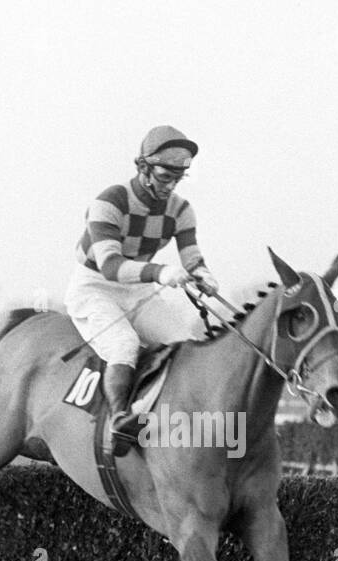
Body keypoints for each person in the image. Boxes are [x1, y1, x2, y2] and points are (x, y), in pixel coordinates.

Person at [64, 125, 219, 453]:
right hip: (95, 286)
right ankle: (120, 420)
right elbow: (111, 266)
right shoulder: (110, 201)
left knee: (185, 342)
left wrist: (204, 275)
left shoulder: (181, 210)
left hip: (137, 290)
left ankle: (177, 421)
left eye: (179, 177)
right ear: (144, 168)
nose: (171, 185)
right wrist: (160, 272)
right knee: (124, 344)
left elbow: (191, 256)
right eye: (165, 176)